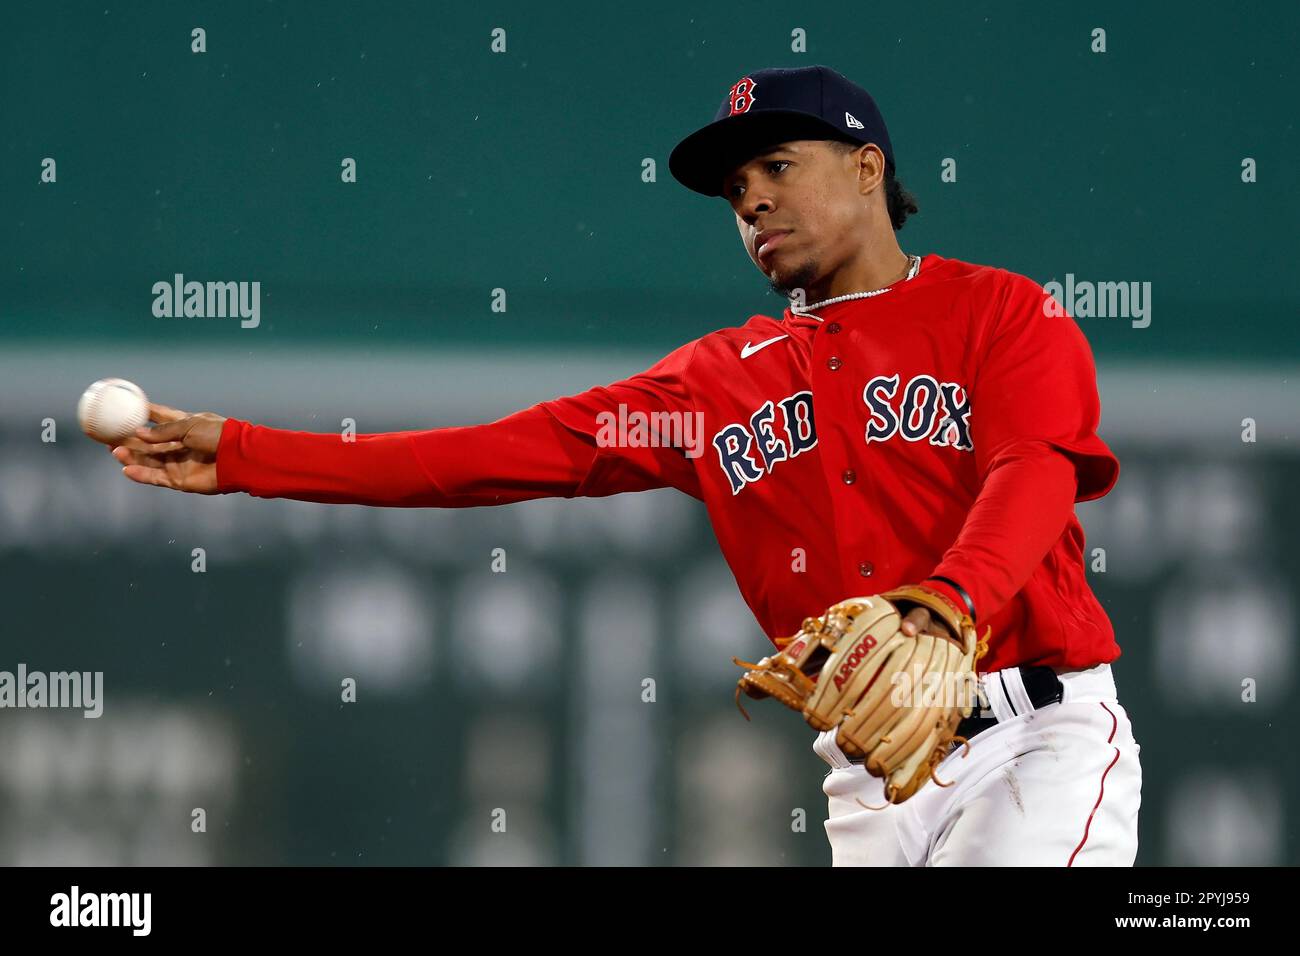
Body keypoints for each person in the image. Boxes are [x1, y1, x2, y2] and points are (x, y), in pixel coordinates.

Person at [108, 64, 1141, 866]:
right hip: (869, 776)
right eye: (736, 188)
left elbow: (1033, 469)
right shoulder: (713, 387)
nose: (751, 204)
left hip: (1033, 737)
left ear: (866, 166)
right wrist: (246, 452)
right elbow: (485, 459)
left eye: (778, 167)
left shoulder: (999, 311)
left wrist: (942, 606)